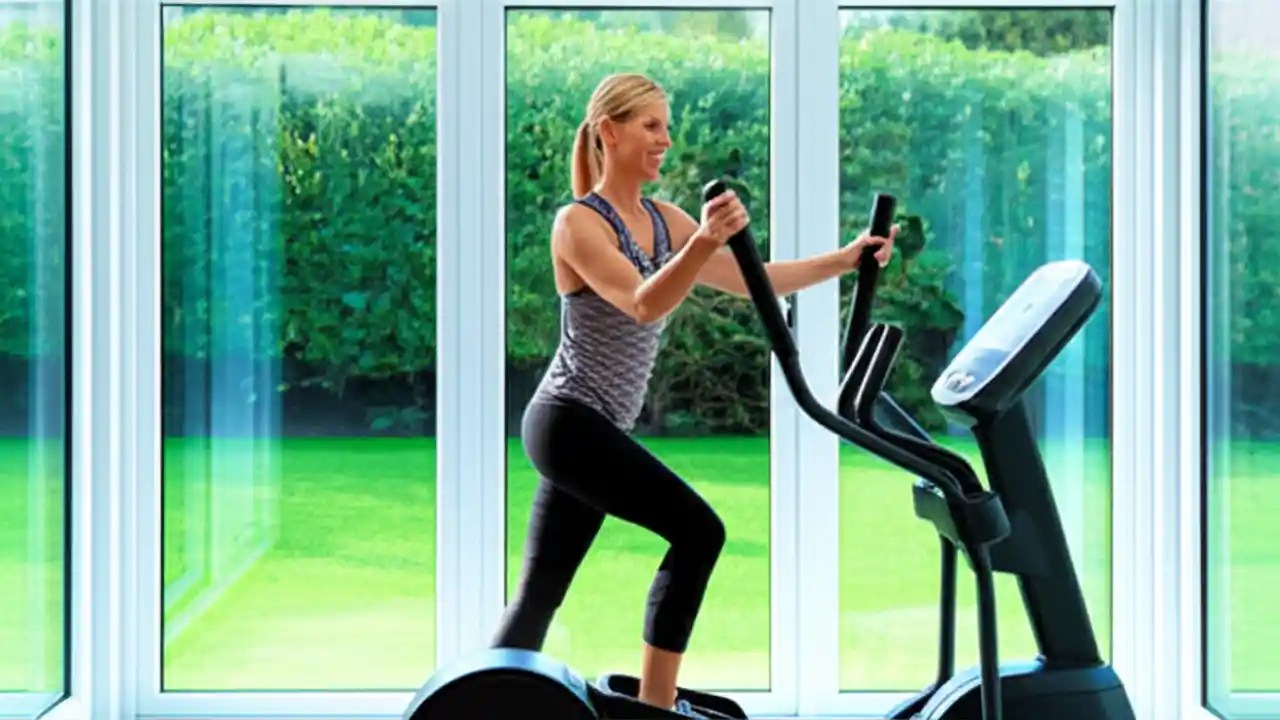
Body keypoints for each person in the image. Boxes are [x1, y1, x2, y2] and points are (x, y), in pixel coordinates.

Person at [492, 72, 895, 717]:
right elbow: (643, 303)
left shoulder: (661, 220)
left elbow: (753, 281)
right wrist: (704, 239)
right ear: (609, 132)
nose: (665, 140)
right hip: (568, 422)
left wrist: (845, 260)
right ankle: (657, 707)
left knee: (540, 593)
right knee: (699, 531)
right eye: (651, 126)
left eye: (667, 126)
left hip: (595, 427)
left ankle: (484, 708)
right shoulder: (578, 224)